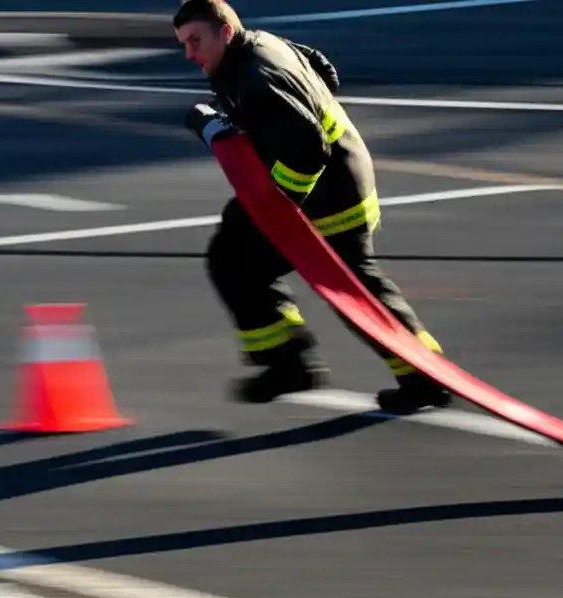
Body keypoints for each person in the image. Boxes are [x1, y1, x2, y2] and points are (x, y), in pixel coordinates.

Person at [173, 0, 450, 414]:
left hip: (328, 195)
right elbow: (322, 67)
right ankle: (409, 372)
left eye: (196, 41)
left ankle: (297, 364)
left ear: (225, 32)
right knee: (252, 259)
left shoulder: (256, 78)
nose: (190, 55)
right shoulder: (261, 44)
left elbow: (305, 148)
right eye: (183, 45)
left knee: (332, 284)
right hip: (344, 174)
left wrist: (277, 211)